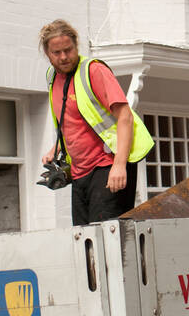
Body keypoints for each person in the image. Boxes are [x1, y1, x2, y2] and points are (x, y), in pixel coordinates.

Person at [38, 19, 151, 225]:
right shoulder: (52, 77)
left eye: (68, 50)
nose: (64, 57)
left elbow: (124, 116)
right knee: (84, 237)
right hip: (80, 171)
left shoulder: (93, 71)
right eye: (57, 53)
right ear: (47, 54)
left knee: (107, 235)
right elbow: (72, 122)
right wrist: (56, 148)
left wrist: (119, 165)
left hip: (107, 165)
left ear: (76, 46)